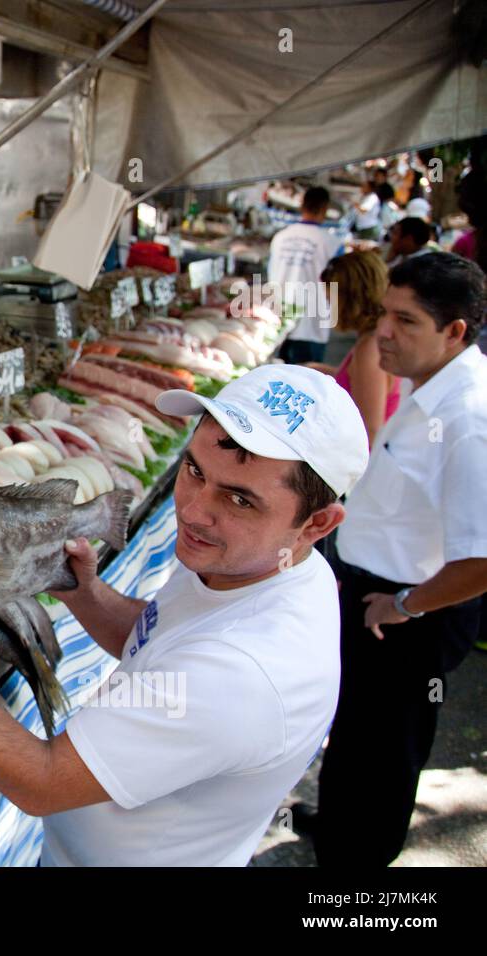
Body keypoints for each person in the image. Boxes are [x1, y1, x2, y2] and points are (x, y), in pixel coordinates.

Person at [0, 363, 370, 866]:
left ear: (318, 523)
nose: (193, 510)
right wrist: (80, 589)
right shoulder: (267, 565)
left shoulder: (245, 673)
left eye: (239, 501)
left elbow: (41, 781)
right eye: (194, 470)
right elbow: (160, 637)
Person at [309, 252, 487, 866]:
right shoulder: (430, 382)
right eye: (385, 313)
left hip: (408, 614)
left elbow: (483, 560)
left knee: (385, 754)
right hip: (376, 597)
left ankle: (357, 878)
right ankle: (337, 825)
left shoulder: (470, 418)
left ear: (454, 331)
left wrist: (405, 605)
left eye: (405, 321)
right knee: (357, 736)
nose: (383, 331)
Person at [305, 251, 399, 446]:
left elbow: (369, 433)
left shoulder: (370, 348)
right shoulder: (373, 338)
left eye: (331, 300)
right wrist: (322, 371)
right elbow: (361, 382)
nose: (330, 308)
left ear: (350, 299)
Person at [271, 186, 344, 365]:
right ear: (325, 209)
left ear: (302, 205)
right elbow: (340, 283)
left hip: (279, 317)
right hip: (314, 321)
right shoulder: (332, 243)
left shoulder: (280, 237)